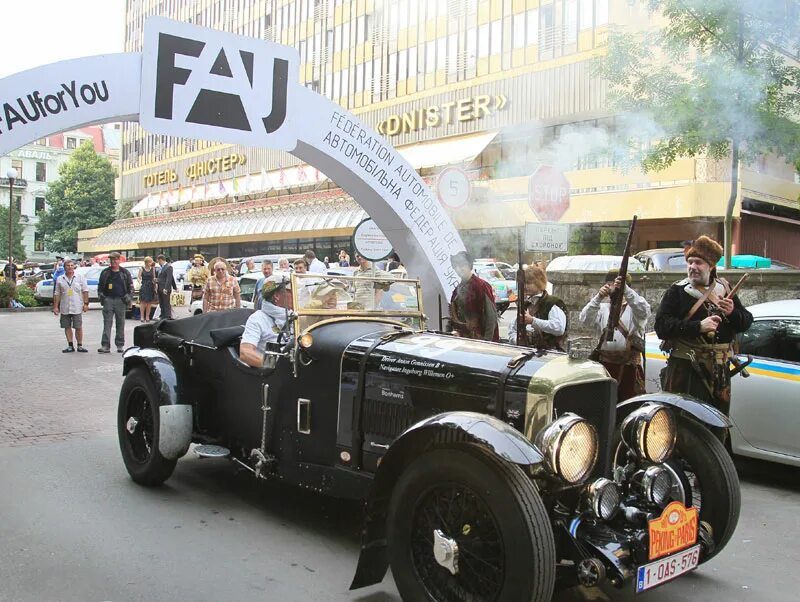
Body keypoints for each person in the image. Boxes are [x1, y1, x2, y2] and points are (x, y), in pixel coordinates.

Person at [655, 235, 753, 417]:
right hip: (686, 369)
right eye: (690, 262)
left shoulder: (724, 288)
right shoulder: (677, 291)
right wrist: (698, 327)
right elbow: (661, 327)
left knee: (717, 423)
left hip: (719, 371)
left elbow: (746, 321)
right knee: (686, 423)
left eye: (698, 262)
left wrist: (732, 312)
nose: (692, 267)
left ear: (711, 266)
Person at [579, 271, 651, 400]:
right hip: (605, 365)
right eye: (609, 284)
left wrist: (626, 290)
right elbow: (585, 319)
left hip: (629, 367)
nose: (611, 287)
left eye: (614, 284)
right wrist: (598, 297)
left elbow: (644, 310)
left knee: (629, 405)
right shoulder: (602, 307)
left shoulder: (634, 307)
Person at [508, 265, 567, 350]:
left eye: (528, 283)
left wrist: (533, 321)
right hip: (528, 353)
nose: (524, 286)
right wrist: (517, 340)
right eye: (523, 283)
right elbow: (513, 328)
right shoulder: (526, 304)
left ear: (539, 282)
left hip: (551, 354)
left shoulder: (552, 303)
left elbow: (559, 328)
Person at [240, 276, 293, 368]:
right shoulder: (257, 319)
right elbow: (245, 353)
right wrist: (276, 366)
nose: (295, 294)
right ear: (277, 296)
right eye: (290, 291)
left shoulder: (294, 315)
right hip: (273, 375)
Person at [448, 251, 499, 342]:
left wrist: (487, 342)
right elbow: (454, 318)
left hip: (480, 341)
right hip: (463, 341)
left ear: (469, 265)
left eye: (462, 265)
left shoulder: (481, 286)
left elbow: (491, 317)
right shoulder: (456, 291)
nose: (459, 269)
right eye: (456, 266)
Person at [97, 251, 134, 353]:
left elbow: (131, 287)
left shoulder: (125, 273)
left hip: (121, 300)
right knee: (107, 323)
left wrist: (128, 298)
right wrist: (102, 297)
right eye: (111, 260)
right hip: (108, 299)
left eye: (115, 259)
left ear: (119, 260)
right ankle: (105, 345)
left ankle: (120, 345)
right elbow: (100, 287)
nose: (113, 262)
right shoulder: (105, 272)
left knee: (120, 323)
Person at [52, 259, 89, 353]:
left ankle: (80, 345)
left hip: (77, 306)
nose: (70, 267)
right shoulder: (60, 279)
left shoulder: (80, 277)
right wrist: (55, 307)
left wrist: (86, 303)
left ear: (74, 267)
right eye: (68, 266)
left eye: (72, 265)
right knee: (67, 326)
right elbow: (57, 293)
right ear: (64, 268)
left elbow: (85, 291)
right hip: (65, 306)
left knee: (78, 326)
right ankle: (70, 345)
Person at [156, 255, 176, 320]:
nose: (158, 262)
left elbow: (169, 278)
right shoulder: (160, 267)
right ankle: (162, 315)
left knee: (166, 303)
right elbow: (162, 277)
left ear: (161, 260)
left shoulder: (168, 267)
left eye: (158, 261)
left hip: (165, 288)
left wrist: (166, 288)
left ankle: (167, 316)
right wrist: (157, 280)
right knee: (161, 303)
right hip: (160, 287)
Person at [137, 256, 157, 322]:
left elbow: (154, 277)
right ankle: (142, 316)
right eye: (150, 262)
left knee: (149, 302)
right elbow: (138, 277)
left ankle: (147, 317)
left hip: (150, 286)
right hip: (144, 286)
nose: (151, 263)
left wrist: (155, 284)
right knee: (143, 302)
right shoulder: (142, 268)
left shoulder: (152, 268)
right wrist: (140, 282)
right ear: (146, 262)